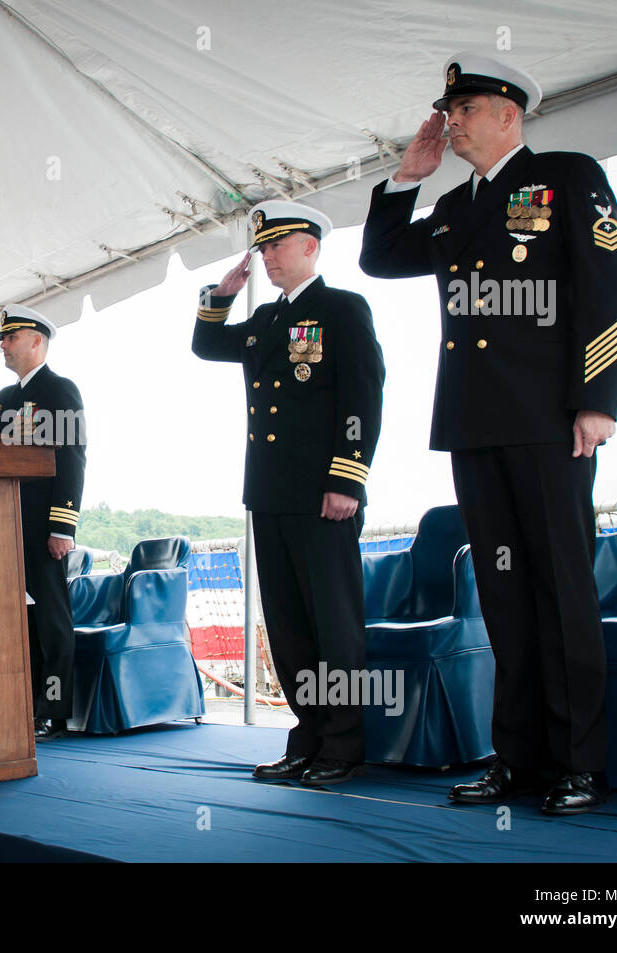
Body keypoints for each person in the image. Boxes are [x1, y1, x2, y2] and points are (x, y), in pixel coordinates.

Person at [359, 53, 617, 814]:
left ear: (509, 113)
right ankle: (516, 762)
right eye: (450, 111)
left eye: (466, 108)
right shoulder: (450, 208)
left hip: (551, 420)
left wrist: (596, 398)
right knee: (504, 594)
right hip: (476, 424)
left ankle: (579, 762)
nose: (452, 122)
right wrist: (407, 181)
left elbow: (612, 287)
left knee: (562, 590)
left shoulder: (567, 176)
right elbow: (381, 257)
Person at [193, 201, 384, 786]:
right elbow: (207, 346)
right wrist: (219, 297)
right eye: (263, 248)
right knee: (290, 625)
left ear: (312, 247)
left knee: (335, 623)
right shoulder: (267, 322)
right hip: (270, 493)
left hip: (323, 494)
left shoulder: (342, 308)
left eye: (278, 245)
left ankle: (344, 744)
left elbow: (363, 395)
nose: (269, 256)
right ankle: (307, 737)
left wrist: (347, 477)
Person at [0, 305, 86, 739]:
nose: (3, 345)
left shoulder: (59, 390)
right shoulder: (7, 398)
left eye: (11, 338)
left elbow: (72, 456)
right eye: (2, 339)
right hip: (2, 526)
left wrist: (62, 526)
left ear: (36, 341)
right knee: (11, 620)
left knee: (51, 620)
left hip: (42, 526)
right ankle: (22, 703)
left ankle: (54, 710)